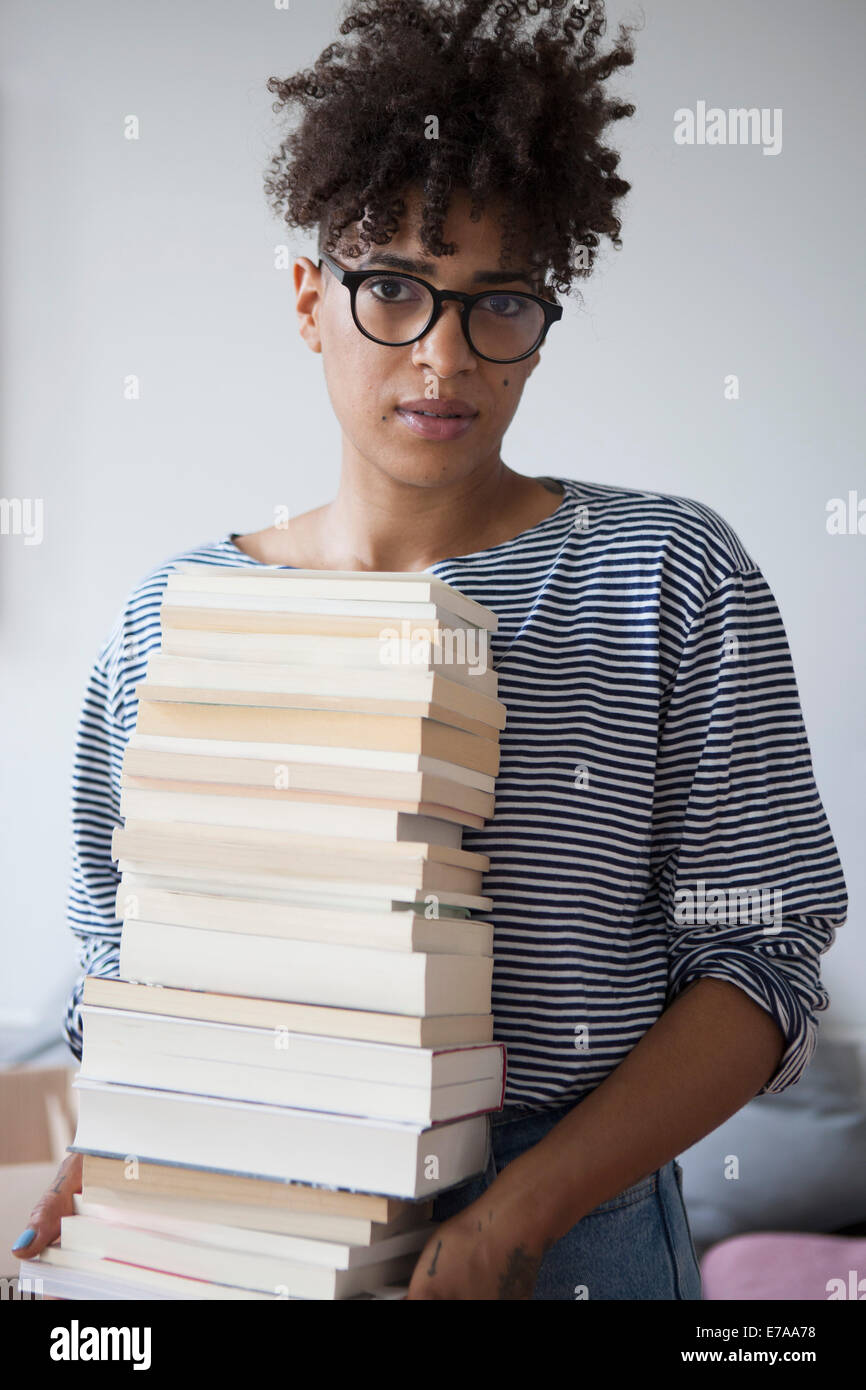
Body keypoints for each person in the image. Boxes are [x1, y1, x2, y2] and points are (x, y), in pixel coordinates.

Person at [12, 0, 847, 1300]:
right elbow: (119, 961)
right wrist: (110, 1179)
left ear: (542, 314)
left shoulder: (669, 575)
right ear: (309, 299)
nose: (444, 357)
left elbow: (760, 957)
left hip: (574, 1229)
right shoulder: (171, 614)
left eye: (497, 302)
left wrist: (516, 1212)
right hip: (250, 1222)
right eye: (393, 288)